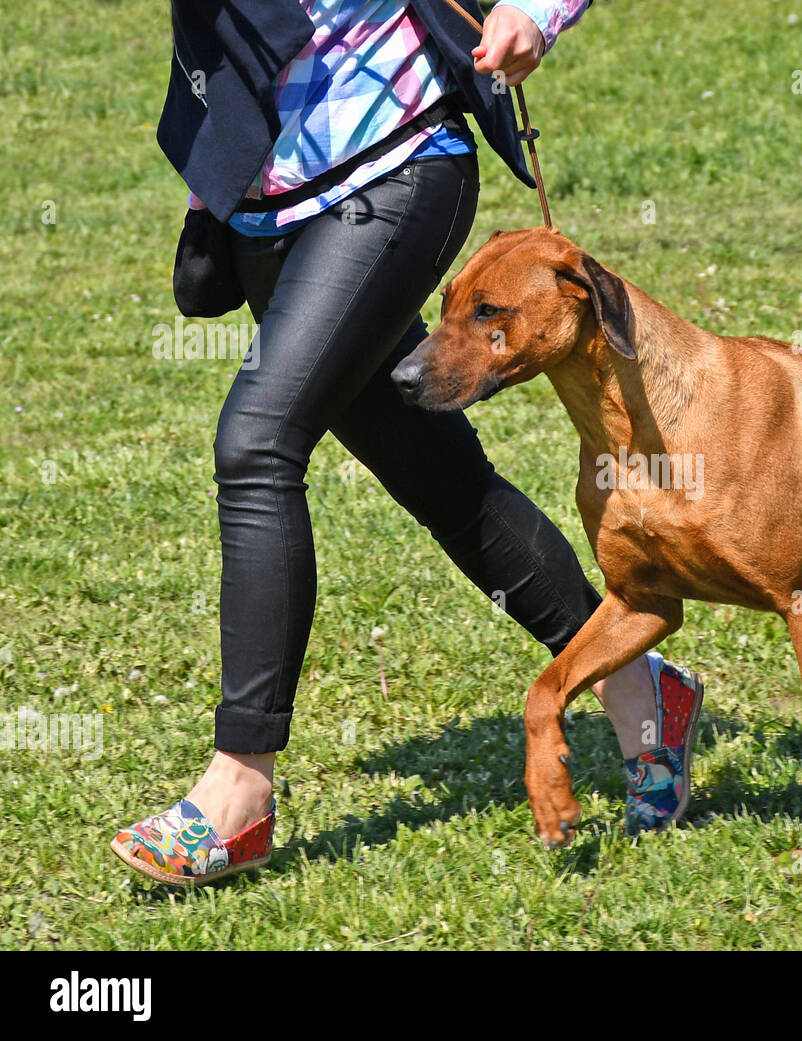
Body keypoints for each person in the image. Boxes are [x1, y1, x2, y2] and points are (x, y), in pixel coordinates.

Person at [112, 0, 705, 887]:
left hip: (392, 160)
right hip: (262, 200)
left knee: (256, 441)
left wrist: (535, 12)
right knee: (435, 474)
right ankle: (637, 682)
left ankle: (237, 793)